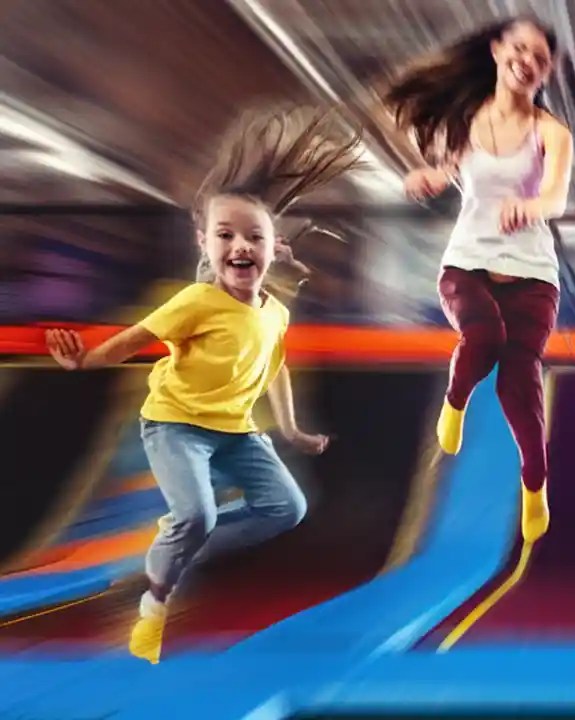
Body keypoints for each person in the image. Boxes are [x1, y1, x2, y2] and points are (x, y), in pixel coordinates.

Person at [43, 106, 364, 664]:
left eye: (254, 239)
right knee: (198, 515)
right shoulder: (196, 301)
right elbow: (135, 338)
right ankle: (155, 603)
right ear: (205, 245)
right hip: (175, 426)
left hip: (236, 432)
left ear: (273, 247)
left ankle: (180, 545)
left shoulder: (275, 313)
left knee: (288, 508)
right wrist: (85, 362)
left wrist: (289, 428)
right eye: (225, 237)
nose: (240, 247)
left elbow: (276, 366)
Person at [383, 16, 574, 544]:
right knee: (483, 335)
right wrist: (429, 177)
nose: (526, 60)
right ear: (496, 51)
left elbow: (556, 196)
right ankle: (456, 399)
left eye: (538, 55)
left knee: (520, 383)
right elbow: (449, 170)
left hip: (532, 275)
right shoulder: (468, 119)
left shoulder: (551, 132)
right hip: (467, 262)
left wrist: (532, 205)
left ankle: (534, 484)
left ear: (547, 69)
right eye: (518, 49)